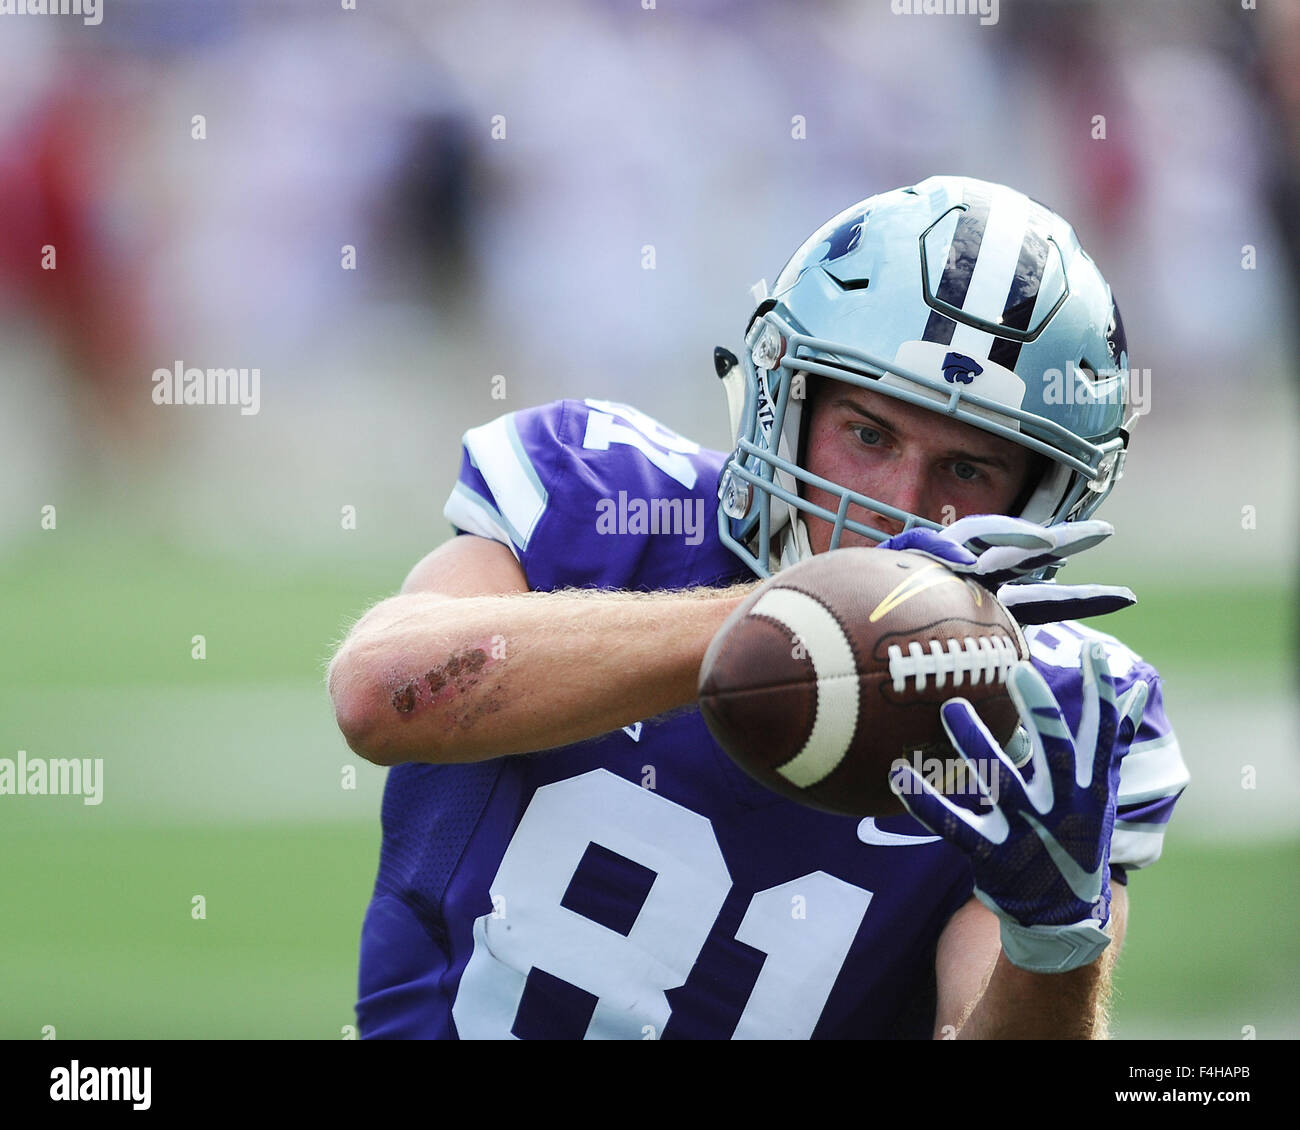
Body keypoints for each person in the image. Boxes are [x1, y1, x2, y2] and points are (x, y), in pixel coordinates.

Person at [328, 175, 1189, 1040]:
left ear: (1047, 499)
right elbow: (379, 694)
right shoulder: (610, 506)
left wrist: (1051, 945)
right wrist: (793, 622)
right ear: (786, 401)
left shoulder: (1061, 712)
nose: (900, 503)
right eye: (868, 434)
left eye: (968, 470)